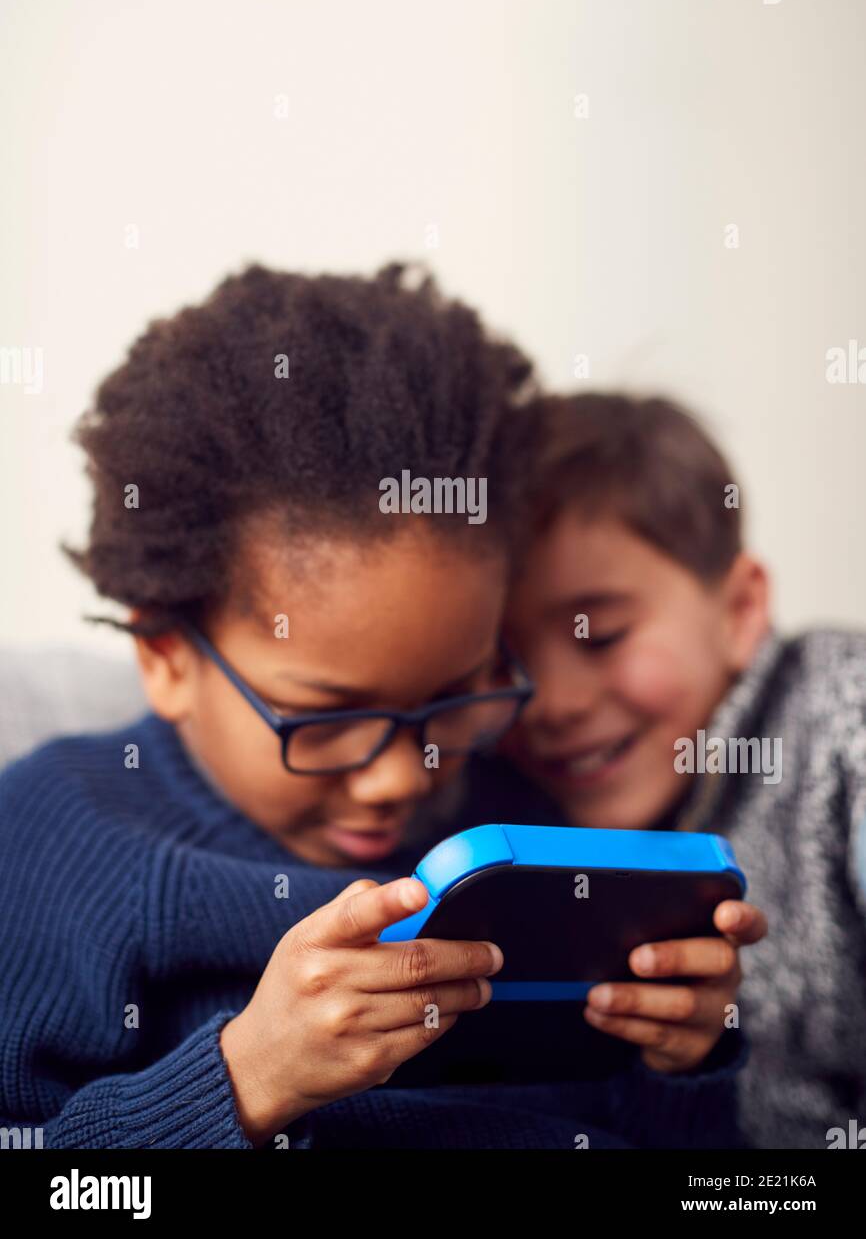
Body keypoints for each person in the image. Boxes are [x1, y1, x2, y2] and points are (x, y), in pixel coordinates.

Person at [0, 272, 753, 1149]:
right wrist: (244, 1079)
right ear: (165, 658)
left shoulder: (519, 831)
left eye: (452, 700)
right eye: (323, 716)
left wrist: (684, 1063)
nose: (403, 776)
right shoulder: (62, 832)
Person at [495, 391, 866, 1149]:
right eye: (502, 664)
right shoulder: (510, 811)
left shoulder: (839, 717)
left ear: (739, 610)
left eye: (598, 635)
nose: (551, 704)